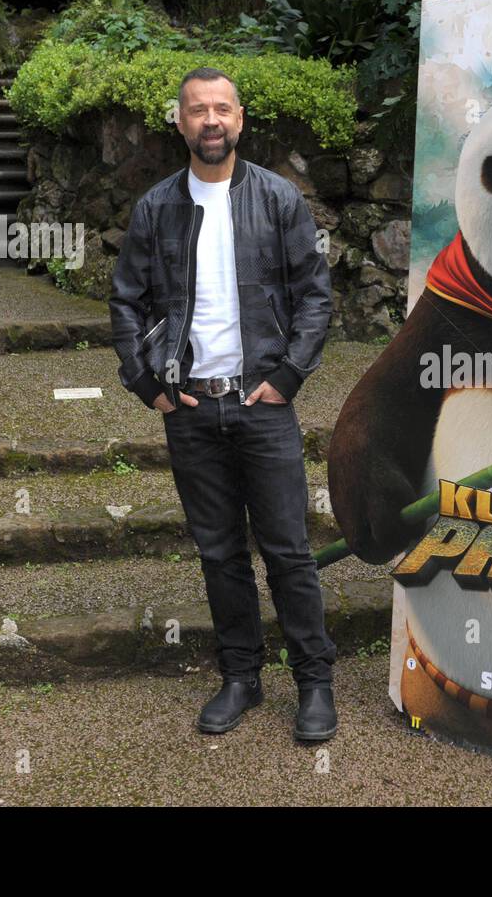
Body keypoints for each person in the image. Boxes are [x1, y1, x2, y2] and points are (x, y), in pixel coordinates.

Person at [109, 67, 337, 741]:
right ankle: (241, 676)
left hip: (263, 403)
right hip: (191, 409)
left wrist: (288, 375)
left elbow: (315, 296)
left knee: (289, 549)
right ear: (179, 122)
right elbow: (126, 302)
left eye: (221, 109)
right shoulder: (156, 207)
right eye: (197, 110)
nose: (210, 120)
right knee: (218, 553)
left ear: (240, 119)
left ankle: (314, 682)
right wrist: (148, 384)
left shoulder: (278, 198)